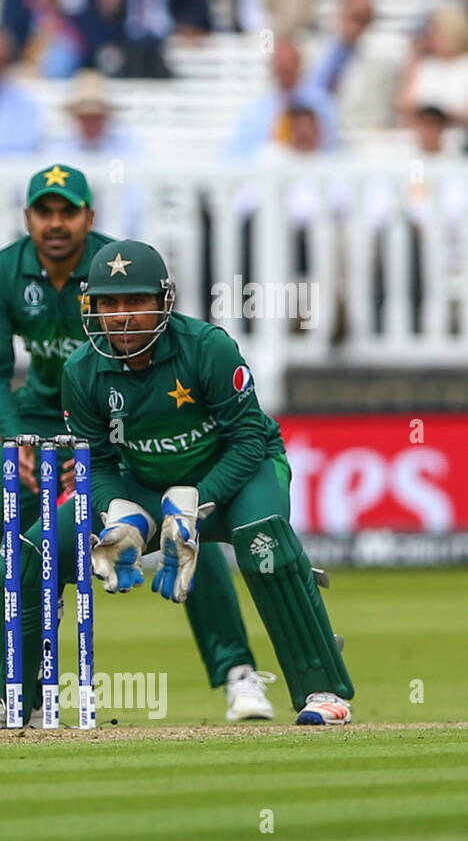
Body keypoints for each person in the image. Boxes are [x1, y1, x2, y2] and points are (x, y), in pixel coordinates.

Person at [0, 165, 266, 728]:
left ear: (88, 218)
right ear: (28, 219)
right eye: (44, 212)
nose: (56, 223)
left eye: (68, 212)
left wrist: (96, 456)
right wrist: (15, 437)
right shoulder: (3, 271)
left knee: (188, 525)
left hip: (115, 425)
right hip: (34, 424)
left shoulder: (111, 270)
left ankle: (237, 673)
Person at [52, 239, 354, 725]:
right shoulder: (82, 372)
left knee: (264, 542)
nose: (122, 316)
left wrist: (197, 502)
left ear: (164, 302)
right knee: (34, 549)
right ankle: (10, 696)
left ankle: (323, 690)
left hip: (238, 475)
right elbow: (100, 464)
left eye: (136, 302)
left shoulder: (207, 348)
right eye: (108, 304)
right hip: (146, 485)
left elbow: (249, 439)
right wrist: (119, 514)